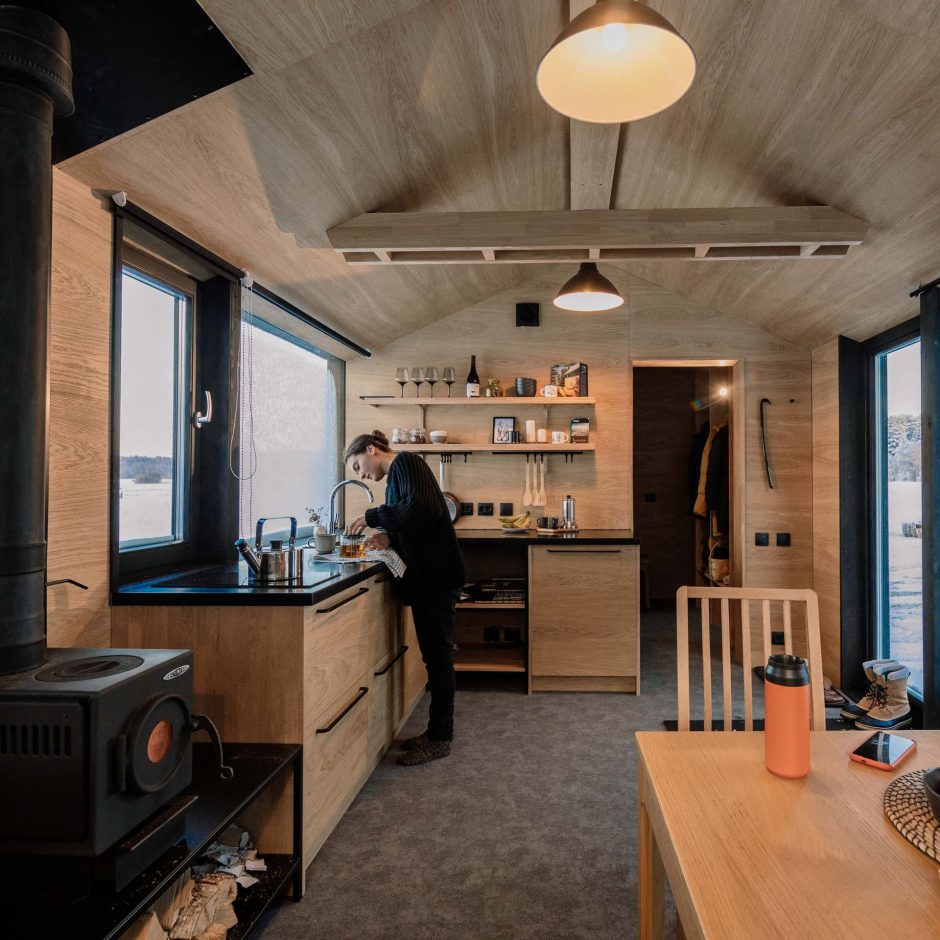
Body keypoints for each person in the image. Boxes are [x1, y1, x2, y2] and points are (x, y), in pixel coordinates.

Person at [344, 430, 466, 766]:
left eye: (358, 465)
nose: (362, 473)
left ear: (371, 449)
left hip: (438, 580)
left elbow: (420, 511)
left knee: (438, 658)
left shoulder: (407, 463)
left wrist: (372, 518)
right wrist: (387, 536)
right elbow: (412, 520)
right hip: (431, 580)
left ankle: (441, 738)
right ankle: (435, 732)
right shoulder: (398, 475)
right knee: (434, 658)